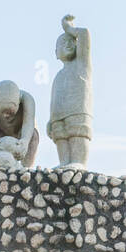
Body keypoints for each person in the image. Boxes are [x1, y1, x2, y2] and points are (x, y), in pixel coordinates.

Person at [47, 15, 92, 167]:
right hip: (59, 114)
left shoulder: (81, 64)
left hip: (78, 109)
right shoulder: (58, 76)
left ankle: (78, 161)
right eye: (62, 43)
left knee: (77, 132)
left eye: (71, 40)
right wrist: (51, 120)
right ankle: (64, 162)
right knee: (61, 135)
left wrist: (69, 29)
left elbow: (84, 34)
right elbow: (54, 99)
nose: (67, 44)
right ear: (55, 53)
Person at [0, 79, 39, 169]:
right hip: (0, 136)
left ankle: (26, 168)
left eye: (10, 112)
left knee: (33, 134)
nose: (6, 116)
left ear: (18, 102)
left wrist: (25, 141)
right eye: (2, 112)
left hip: (19, 134)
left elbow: (28, 124)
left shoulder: (27, 99)